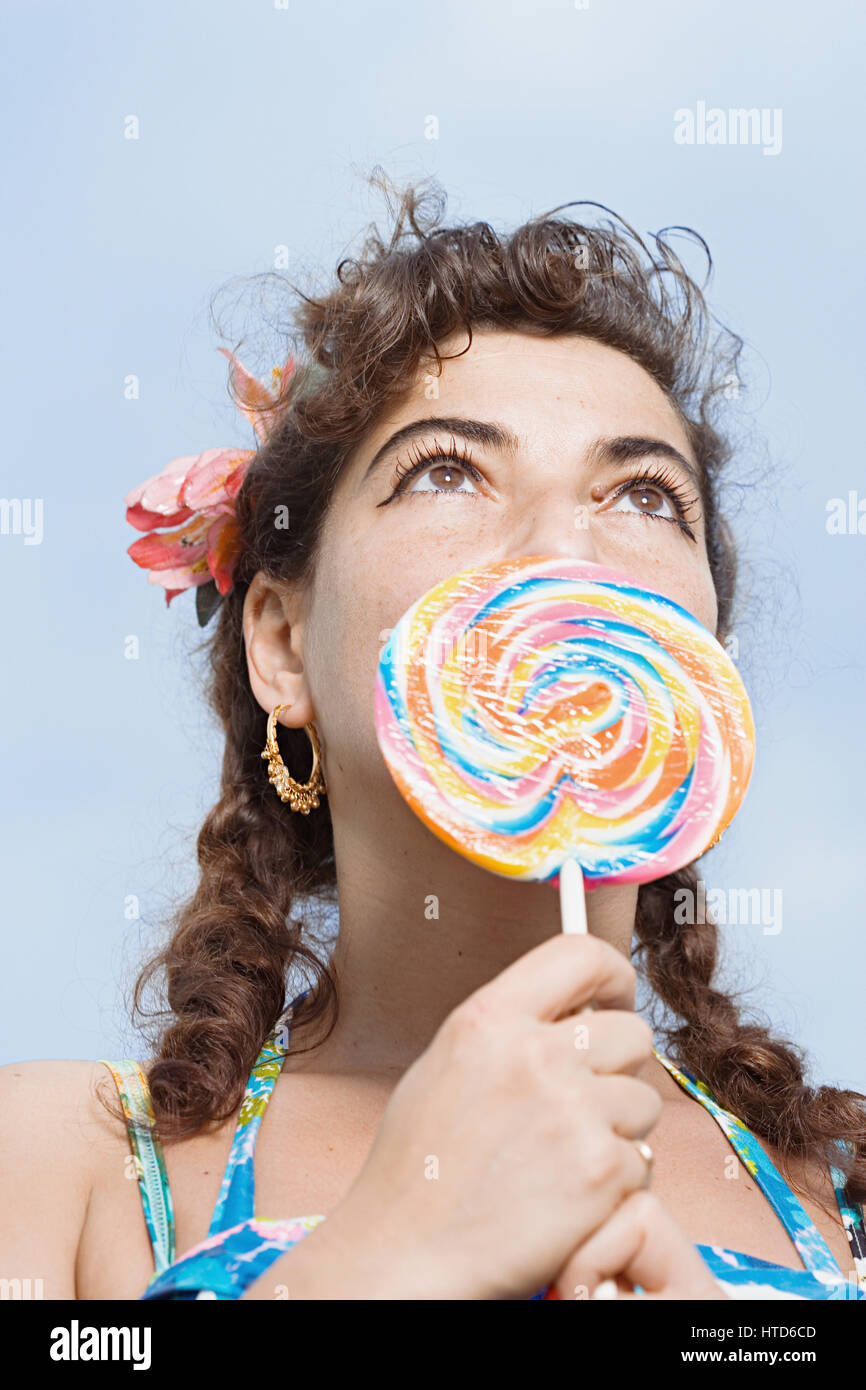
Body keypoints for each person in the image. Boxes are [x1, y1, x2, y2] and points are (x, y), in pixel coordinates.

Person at [2, 174, 864, 1302]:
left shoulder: (841, 1188)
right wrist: (374, 1266)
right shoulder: (63, 1165)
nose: (564, 547)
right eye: (446, 471)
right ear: (279, 639)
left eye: (645, 494)